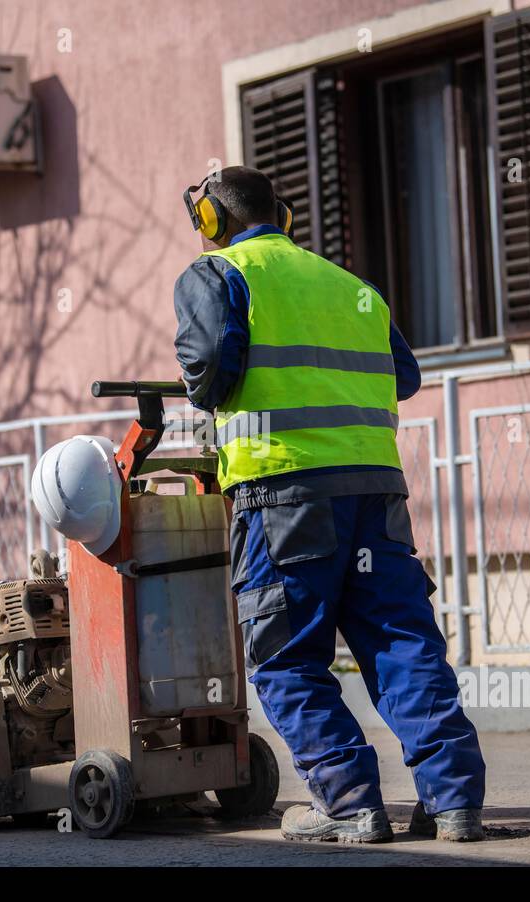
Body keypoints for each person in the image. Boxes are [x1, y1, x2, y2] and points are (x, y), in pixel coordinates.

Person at [172, 165, 486, 843]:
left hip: (281, 496)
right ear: (283, 216)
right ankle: (455, 802)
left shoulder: (216, 273)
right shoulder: (352, 287)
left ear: (212, 222)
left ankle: (348, 804)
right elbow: (403, 375)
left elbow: (206, 376)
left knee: (287, 658)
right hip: (375, 494)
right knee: (402, 642)